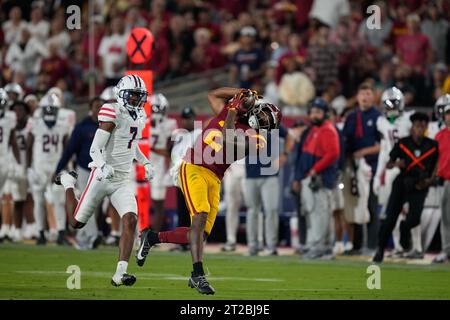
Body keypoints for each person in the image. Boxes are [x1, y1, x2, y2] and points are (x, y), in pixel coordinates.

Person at [136, 88, 281, 295]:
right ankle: (197, 275)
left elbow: (227, 139)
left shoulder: (257, 139)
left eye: (268, 120)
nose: (263, 118)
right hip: (193, 166)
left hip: (214, 177)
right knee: (200, 217)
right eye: (264, 113)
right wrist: (240, 92)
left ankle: (151, 237)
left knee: (199, 234)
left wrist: (232, 109)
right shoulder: (228, 111)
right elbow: (212, 94)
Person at [55, 75, 154, 286]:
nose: (137, 100)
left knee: (130, 219)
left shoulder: (140, 115)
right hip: (101, 176)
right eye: (133, 95)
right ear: (121, 94)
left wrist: (145, 162)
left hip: (122, 179)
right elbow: (94, 149)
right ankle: (67, 183)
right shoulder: (112, 111)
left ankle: (120, 273)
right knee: (76, 223)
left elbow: (131, 143)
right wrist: (102, 165)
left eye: (139, 96)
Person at [373, 113, 439, 263]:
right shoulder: (403, 143)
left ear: (426, 127)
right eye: (417, 125)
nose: (420, 129)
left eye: (423, 126)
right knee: (390, 218)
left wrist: (428, 181)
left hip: (420, 184)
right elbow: (389, 163)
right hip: (402, 182)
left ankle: (405, 228)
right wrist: (397, 164)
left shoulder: (432, 145)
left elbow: (436, 166)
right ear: (412, 127)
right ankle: (380, 249)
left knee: (415, 218)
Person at [292, 98, 340, 259]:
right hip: (310, 177)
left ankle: (319, 246)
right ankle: (320, 245)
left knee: (320, 212)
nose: (314, 115)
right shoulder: (313, 130)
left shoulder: (327, 129)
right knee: (314, 212)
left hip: (320, 178)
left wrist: (315, 170)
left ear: (325, 114)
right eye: (312, 112)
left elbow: (333, 154)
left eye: (318, 112)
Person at [54, 97, 105, 250]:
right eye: (97, 106)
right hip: (85, 169)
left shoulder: (110, 125)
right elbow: (70, 149)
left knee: (97, 205)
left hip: (104, 170)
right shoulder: (83, 127)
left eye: (102, 106)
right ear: (91, 108)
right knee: (87, 202)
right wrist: (59, 168)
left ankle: (84, 236)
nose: (99, 109)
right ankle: (93, 235)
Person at [373, 87, 414, 257]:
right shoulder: (381, 123)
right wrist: (378, 175)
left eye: (394, 104)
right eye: (388, 105)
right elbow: (384, 151)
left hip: (408, 169)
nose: (391, 109)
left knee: (410, 210)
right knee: (392, 210)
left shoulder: (409, 119)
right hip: (391, 170)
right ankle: (398, 246)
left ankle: (416, 247)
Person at [26, 93, 71, 245]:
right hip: (39, 167)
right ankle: (40, 232)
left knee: (59, 200)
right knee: (38, 201)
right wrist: (29, 167)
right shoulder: (35, 123)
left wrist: (65, 166)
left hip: (56, 167)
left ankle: (60, 232)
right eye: (48, 109)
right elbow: (29, 146)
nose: (50, 112)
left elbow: (66, 149)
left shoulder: (63, 125)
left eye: (53, 109)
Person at [342, 82, 381, 255]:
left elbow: (384, 145)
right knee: (356, 205)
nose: (365, 97)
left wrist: (364, 151)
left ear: (374, 97)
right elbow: (345, 141)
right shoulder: (352, 117)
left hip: (373, 167)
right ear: (357, 97)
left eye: (368, 94)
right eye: (362, 94)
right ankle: (356, 245)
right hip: (354, 168)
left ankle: (372, 246)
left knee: (371, 206)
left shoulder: (379, 117)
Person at [169, 106, 201, 251]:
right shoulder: (179, 136)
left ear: (194, 118)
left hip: (192, 177)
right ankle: (182, 242)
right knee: (182, 211)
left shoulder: (199, 133)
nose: (186, 121)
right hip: (179, 177)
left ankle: (192, 242)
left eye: (189, 118)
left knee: (192, 212)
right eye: (184, 118)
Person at [149, 93, 177, 232]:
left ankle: (153, 235)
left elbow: (171, 151)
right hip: (149, 165)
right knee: (154, 204)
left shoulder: (169, 124)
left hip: (154, 165)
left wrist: (151, 149)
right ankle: (144, 233)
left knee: (158, 203)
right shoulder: (169, 124)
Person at [0, 88, 21, 241]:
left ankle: (6, 227)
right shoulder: (9, 116)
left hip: (4, 160)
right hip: (5, 160)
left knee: (6, 195)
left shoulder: (10, 117)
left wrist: (19, 163)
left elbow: (13, 142)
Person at [433, 95, 450, 263]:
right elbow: (435, 160)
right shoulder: (439, 136)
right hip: (445, 181)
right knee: (445, 218)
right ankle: (446, 250)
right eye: (448, 113)